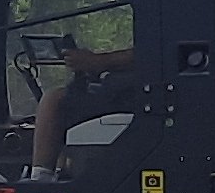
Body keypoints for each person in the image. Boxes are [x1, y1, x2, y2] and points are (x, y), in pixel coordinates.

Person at [33, 42, 140, 177]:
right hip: (125, 92)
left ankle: (40, 180)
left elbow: (152, 52)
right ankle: (58, 173)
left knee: (54, 100)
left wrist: (98, 61)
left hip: (138, 99)